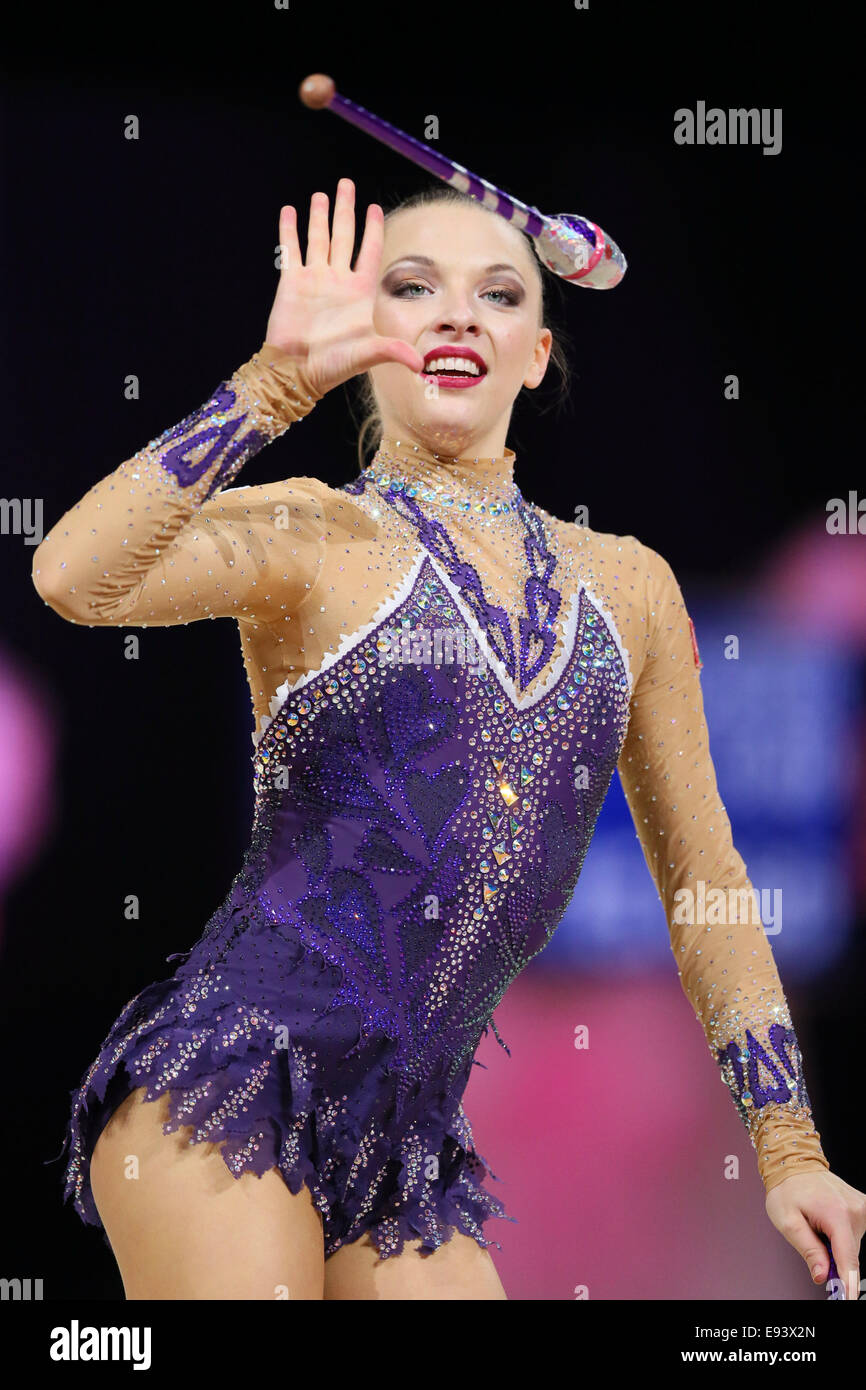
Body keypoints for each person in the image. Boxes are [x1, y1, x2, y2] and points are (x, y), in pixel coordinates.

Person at [32, 178, 865, 1301]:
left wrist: (788, 1150)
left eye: (498, 293)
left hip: (409, 1151)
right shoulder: (311, 534)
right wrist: (266, 390)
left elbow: (705, 881)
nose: (458, 314)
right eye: (413, 288)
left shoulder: (626, 587)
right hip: (230, 1084)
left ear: (536, 353)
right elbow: (73, 575)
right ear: (364, 341)